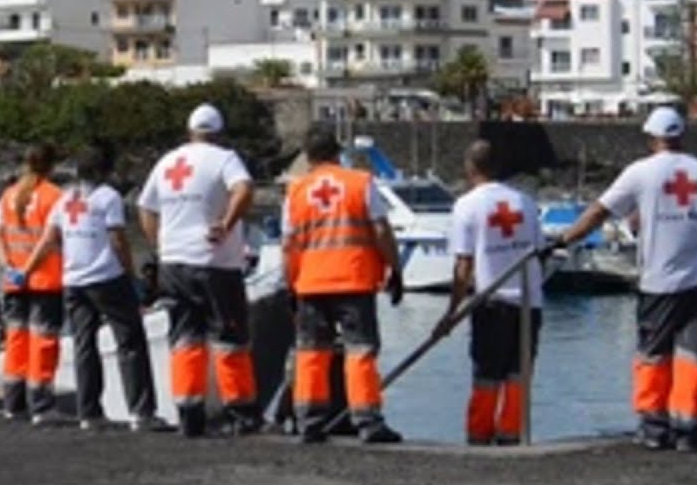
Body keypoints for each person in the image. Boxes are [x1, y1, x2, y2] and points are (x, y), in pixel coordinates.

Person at [556, 106, 697, 452]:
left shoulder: (640, 173)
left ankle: (654, 426)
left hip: (661, 279)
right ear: (681, 135)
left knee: (653, 354)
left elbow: (598, 211)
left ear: (651, 137)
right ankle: (690, 428)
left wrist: (564, 239)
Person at [20, 143, 164, 432]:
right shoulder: (108, 197)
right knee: (131, 343)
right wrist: (131, 275)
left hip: (73, 281)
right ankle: (141, 411)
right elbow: (118, 240)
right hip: (106, 277)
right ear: (104, 170)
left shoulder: (65, 199)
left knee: (85, 345)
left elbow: (48, 240)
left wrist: (25, 272)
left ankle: (89, 412)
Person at [138, 104, 260, 438]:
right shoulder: (224, 158)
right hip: (215, 262)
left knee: (185, 338)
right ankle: (241, 412)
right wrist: (226, 223)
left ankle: (189, 412)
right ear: (219, 133)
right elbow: (244, 189)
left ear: (190, 131)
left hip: (174, 264)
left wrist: (161, 248)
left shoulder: (167, 163)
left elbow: (146, 208)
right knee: (228, 336)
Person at [281, 126, 404, 444]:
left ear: (308, 158)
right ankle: (367, 420)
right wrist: (395, 269)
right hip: (354, 279)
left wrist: (290, 284)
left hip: (310, 283)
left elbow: (288, 245)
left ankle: (309, 419)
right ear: (338, 153)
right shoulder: (360, 183)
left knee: (311, 353)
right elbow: (381, 230)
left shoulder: (296, 191)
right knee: (360, 350)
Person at [434, 140, 544, 446]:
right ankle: (511, 435)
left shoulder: (467, 206)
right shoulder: (526, 202)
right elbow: (537, 251)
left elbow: (463, 265)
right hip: (528, 303)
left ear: (470, 168)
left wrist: (452, 311)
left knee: (486, 375)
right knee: (518, 374)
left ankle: (480, 435)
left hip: (491, 303)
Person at [0, 144, 64, 424]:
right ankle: (42, 406)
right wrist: (28, 268)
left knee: (16, 343)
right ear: (52, 165)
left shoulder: (9, 196)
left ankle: (13, 403)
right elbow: (48, 240)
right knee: (42, 343)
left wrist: (8, 266)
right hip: (44, 281)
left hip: (14, 283)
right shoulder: (53, 196)